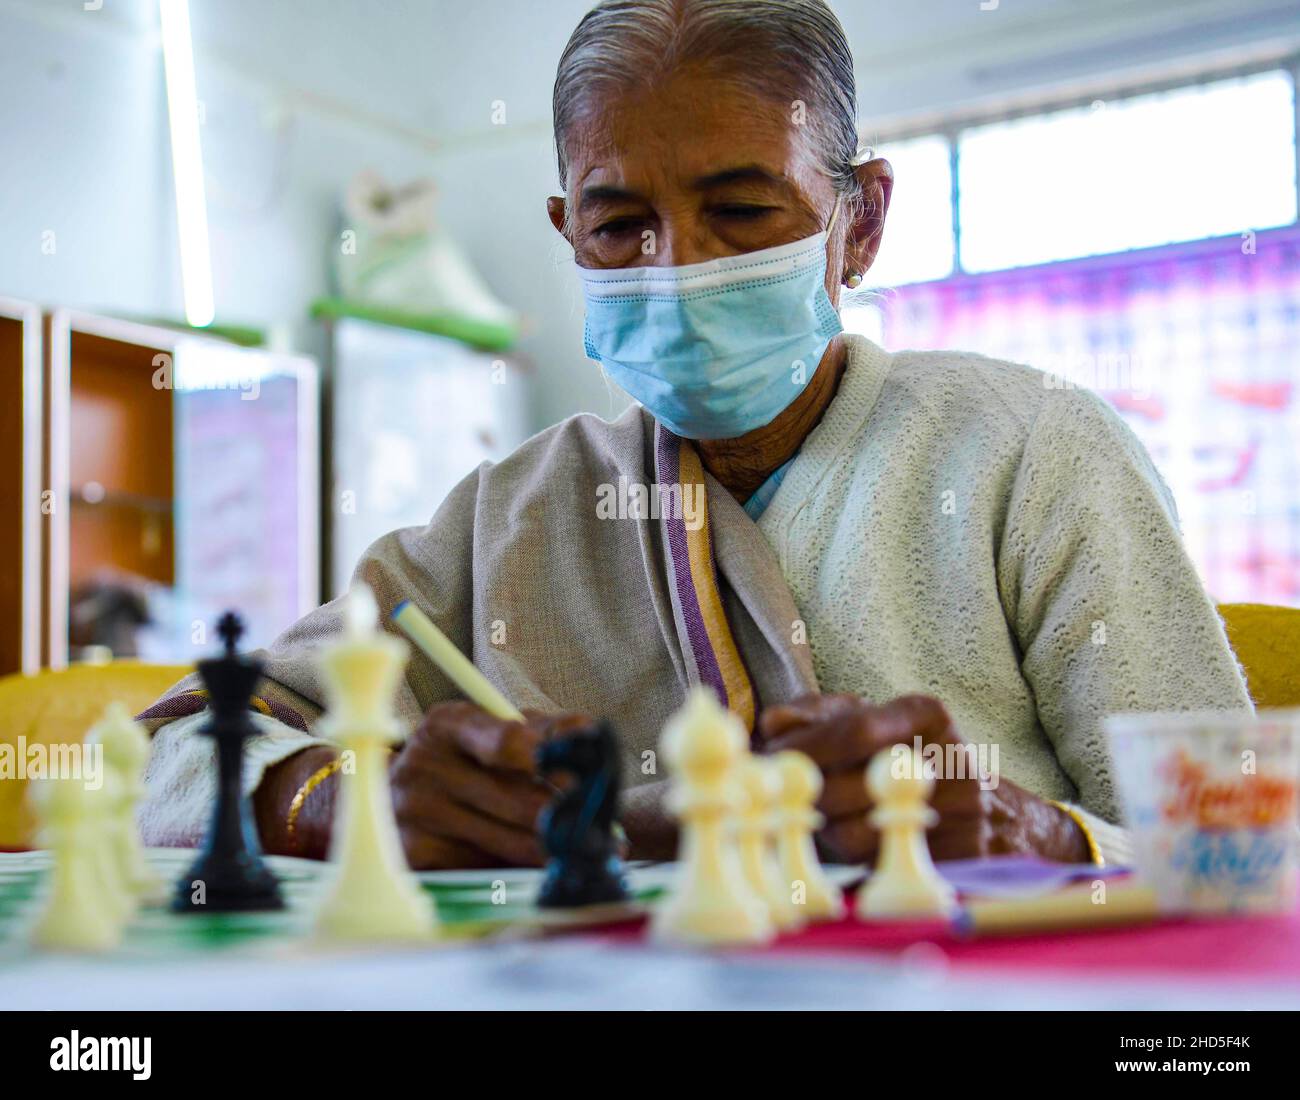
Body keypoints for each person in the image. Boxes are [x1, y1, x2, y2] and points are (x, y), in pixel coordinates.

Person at [138, 0, 1251, 870]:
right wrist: (329, 798)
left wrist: (1047, 841)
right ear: (565, 230)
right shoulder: (506, 517)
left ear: (857, 223)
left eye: (742, 209)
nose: (675, 270)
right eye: (619, 223)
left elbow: (1237, 838)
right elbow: (160, 753)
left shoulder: (1030, 451)